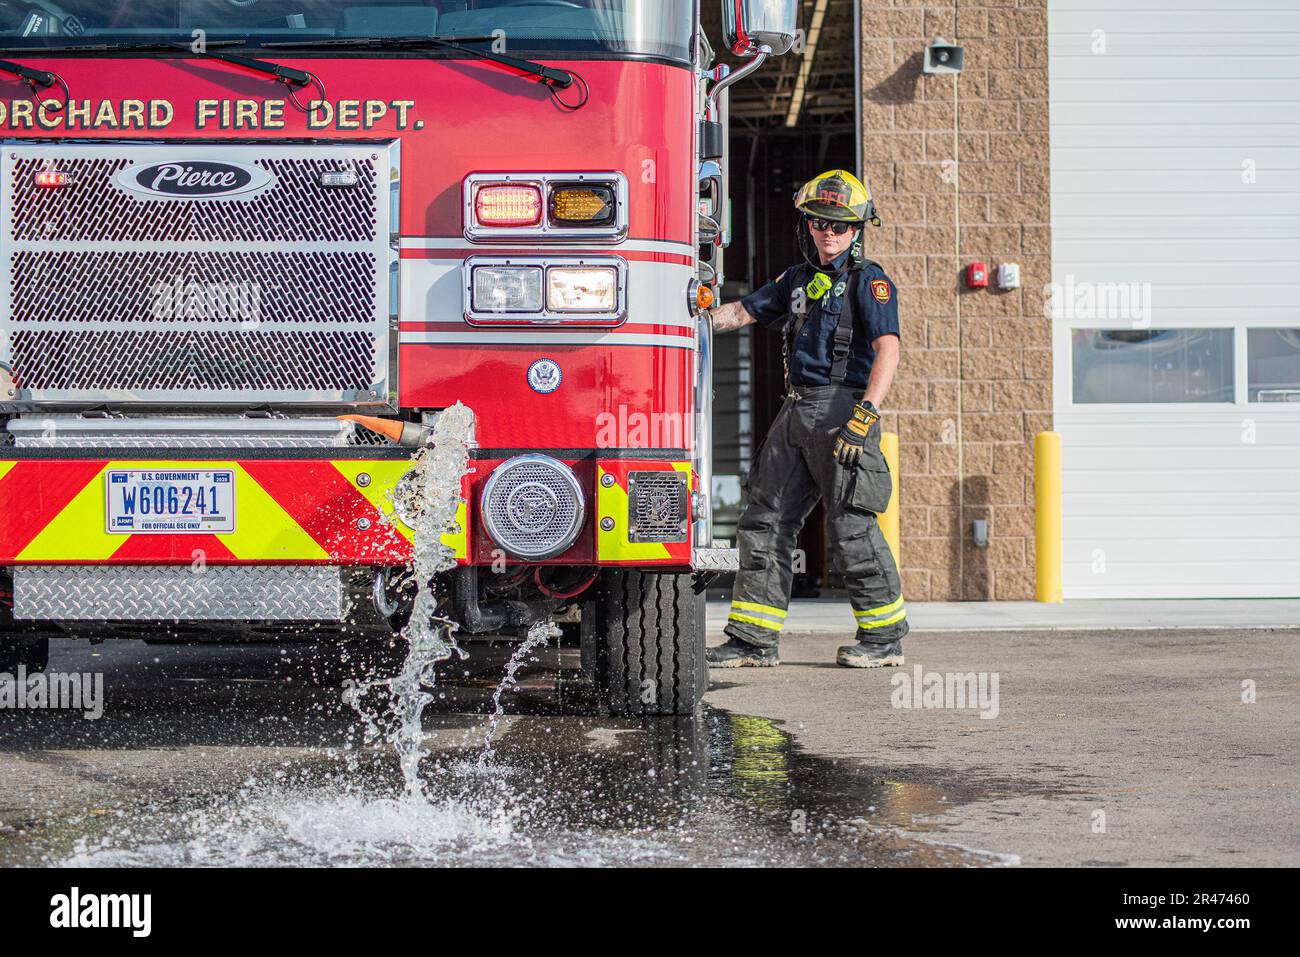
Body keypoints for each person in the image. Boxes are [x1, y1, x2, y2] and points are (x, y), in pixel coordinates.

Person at [703, 169, 907, 668]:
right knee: (764, 520)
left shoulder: (869, 281)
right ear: (808, 225)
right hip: (796, 408)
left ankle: (883, 641)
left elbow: (889, 350)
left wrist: (866, 413)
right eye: (820, 222)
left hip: (843, 412)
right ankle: (753, 640)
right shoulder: (795, 280)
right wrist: (692, 314)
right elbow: (742, 313)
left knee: (851, 528)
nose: (829, 232)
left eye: (841, 225)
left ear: (858, 229)